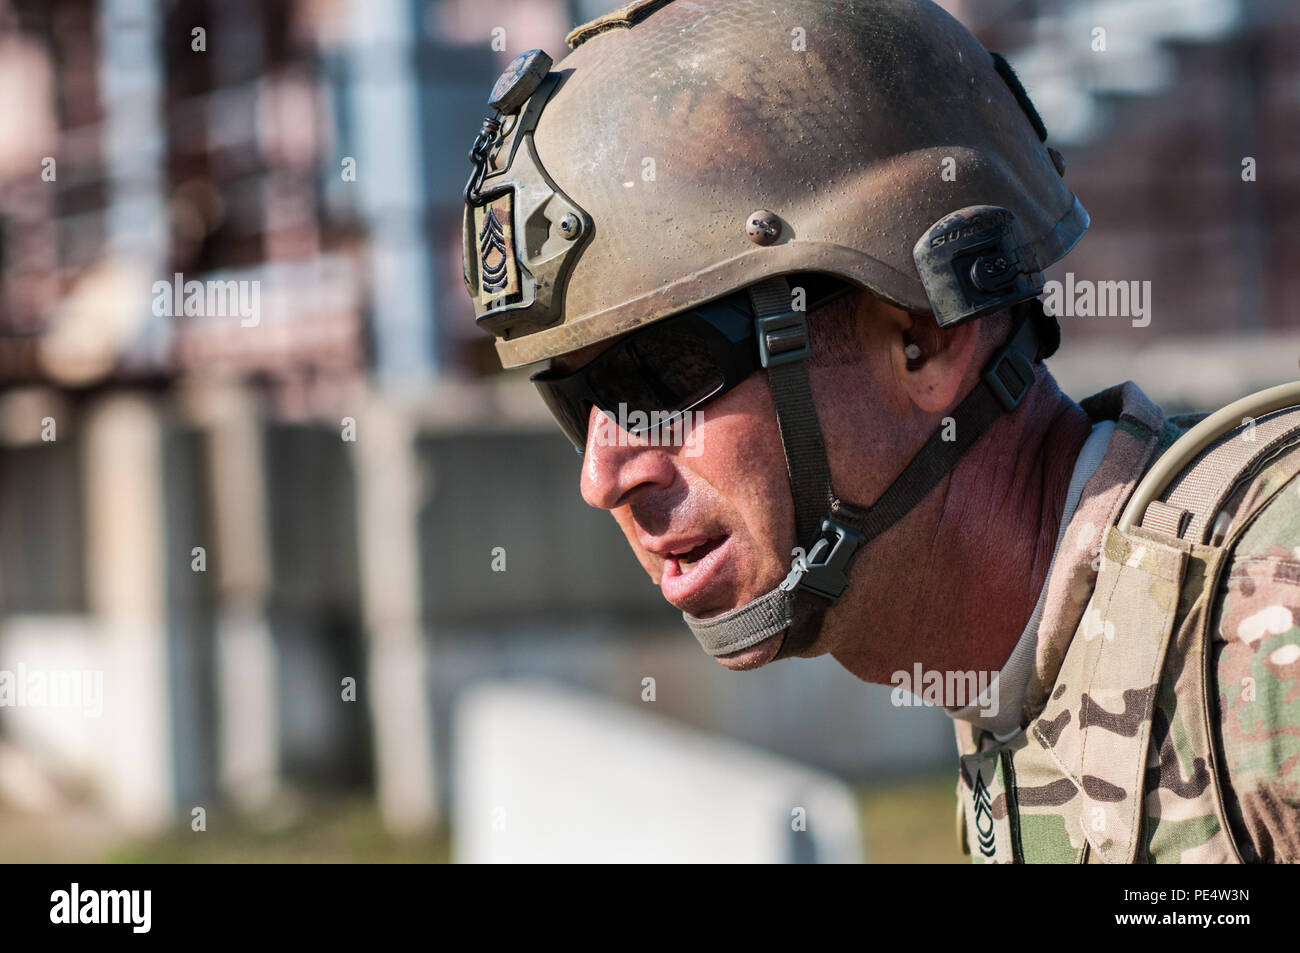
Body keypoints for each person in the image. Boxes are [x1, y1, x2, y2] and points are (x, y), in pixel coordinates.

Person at [458, 0, 1300, 862]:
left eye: (660, 372)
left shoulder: (1269, 620)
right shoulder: (1024, 671)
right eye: (578, 400)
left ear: (921, 337)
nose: (603, 475)